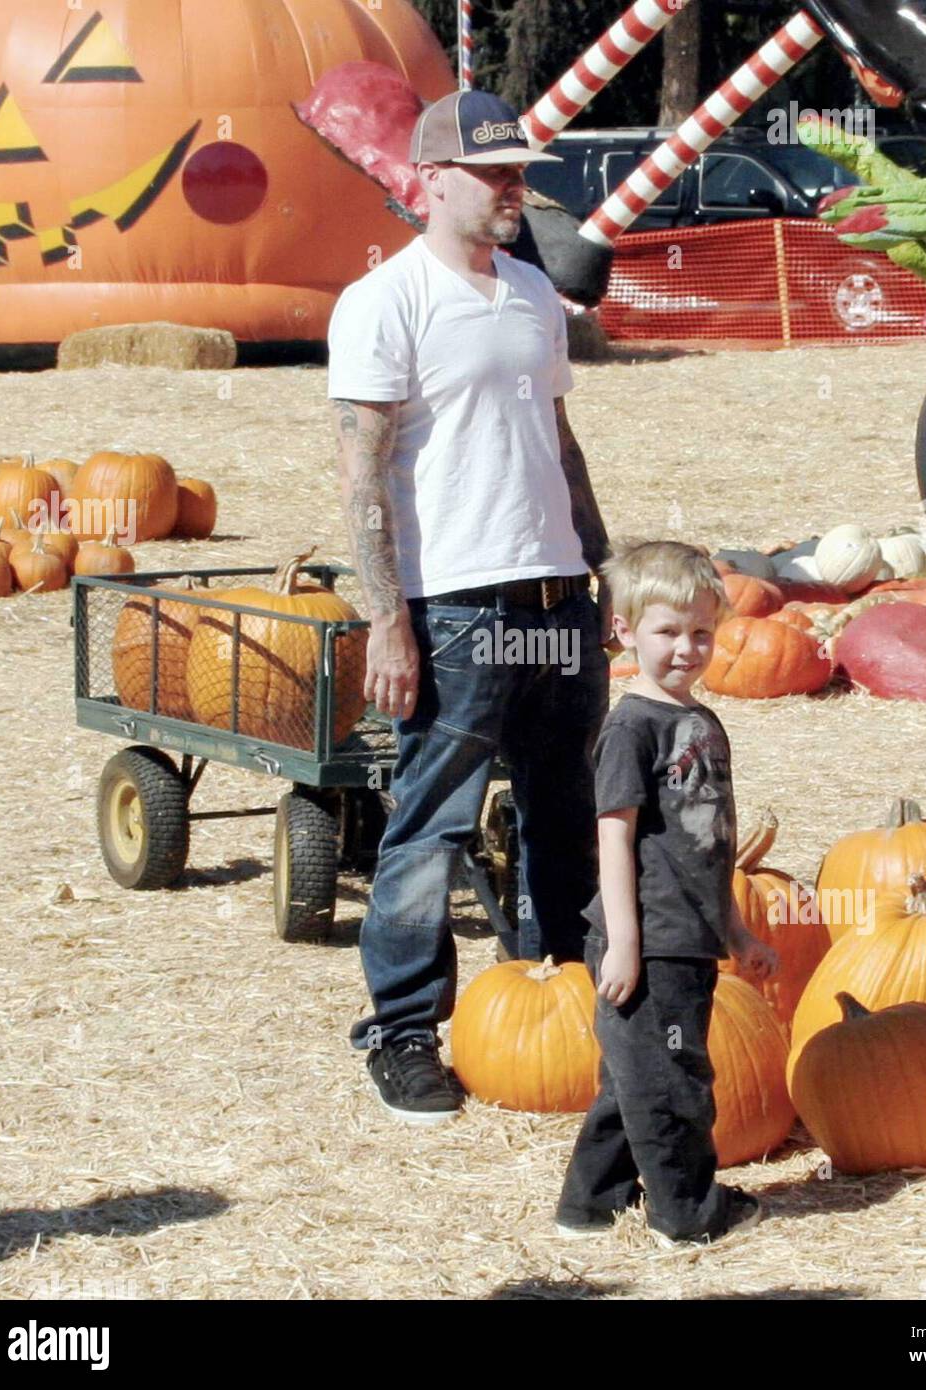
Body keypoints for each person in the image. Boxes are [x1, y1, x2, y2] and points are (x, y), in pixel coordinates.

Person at [328, 89, 612, 1124]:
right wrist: (387, 618)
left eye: (517, 172)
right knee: (427, 828)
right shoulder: (383, 303)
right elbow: (360, 475)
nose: (511, 189)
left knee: (562, 816)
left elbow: (559, 443)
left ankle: (558, 999)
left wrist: (600, 560)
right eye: (492, 173)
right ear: (431, 179)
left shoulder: (533, 295)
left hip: (553, 594)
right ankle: (402, 1033)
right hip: (452, 606)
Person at [555, 540, 778, 1246]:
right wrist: (626, 943)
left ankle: (590, 1205)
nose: (688, 648)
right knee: (675, 1080)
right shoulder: (630, 729)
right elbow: (614, 839)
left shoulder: (702, 723)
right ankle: (686, 1211)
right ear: (624, 630)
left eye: (702, 632)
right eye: (667, 631)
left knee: (633, 1078)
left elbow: (707, 848)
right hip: (649, 940)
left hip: (690, 933)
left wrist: (736, 930)